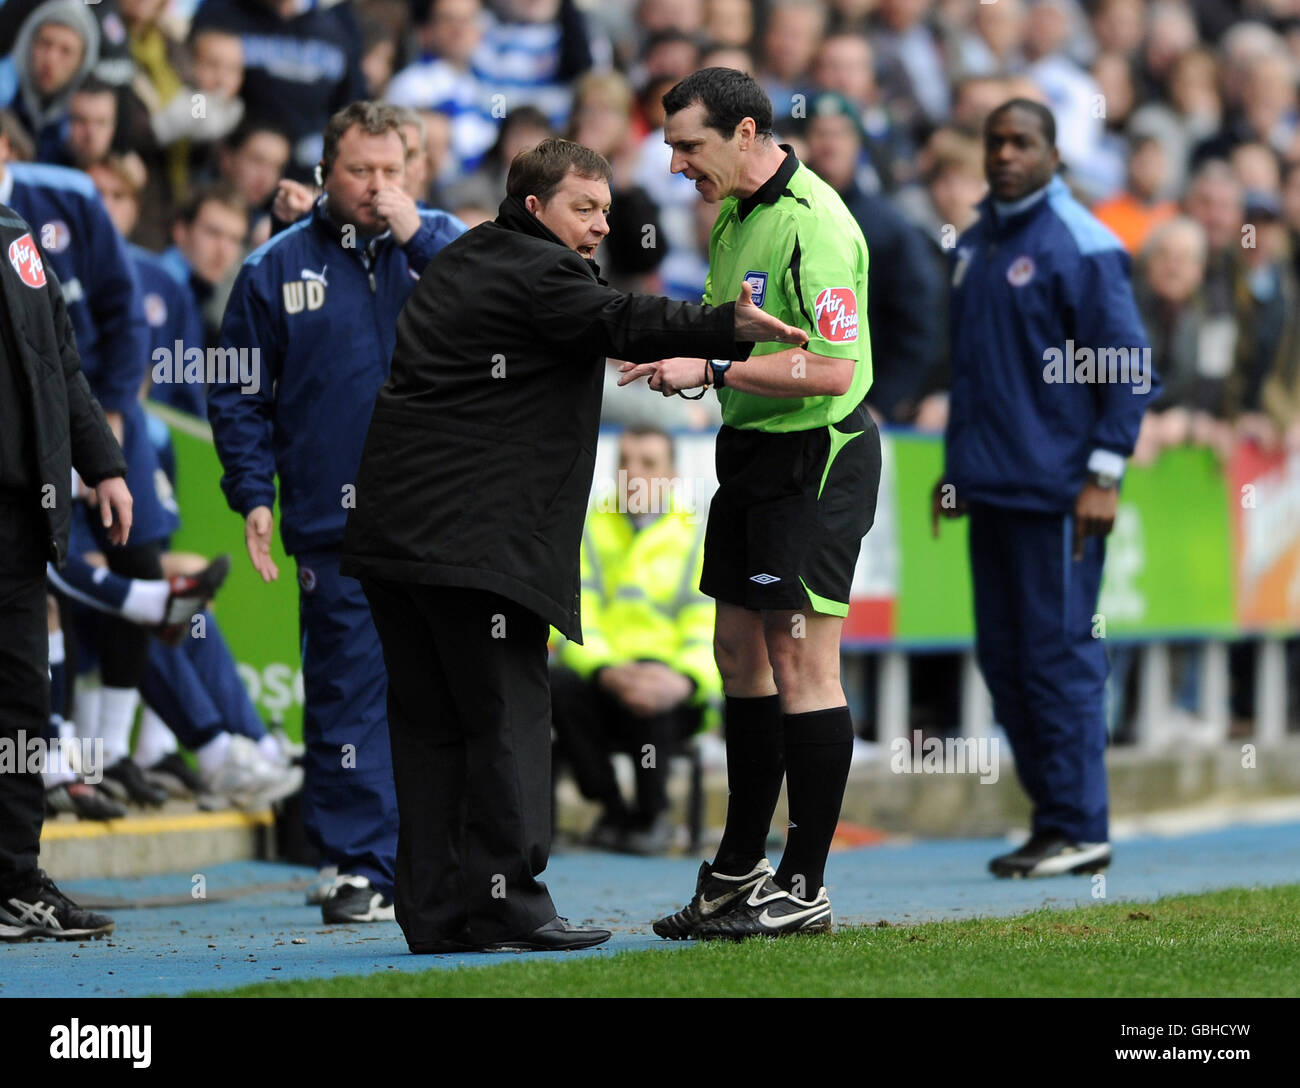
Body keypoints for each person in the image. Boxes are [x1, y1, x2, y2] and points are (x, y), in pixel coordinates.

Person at [340, 136, 806, 954]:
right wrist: (726, 326)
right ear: (534, 209)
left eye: (605, 211)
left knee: (429, 728)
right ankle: (515, 903)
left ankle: (440, 912)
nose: (599, 228)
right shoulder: (539, 270)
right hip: (473, 546)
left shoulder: (461, 260)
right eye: (582, 210)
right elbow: (623, 318)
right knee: (508, 720)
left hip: (394, 541)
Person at [620, 67, 879, 941]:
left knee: (799, 655)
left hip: (817, 452)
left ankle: (804, 884)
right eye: (669, 145)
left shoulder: (817, 224)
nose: (675, 161)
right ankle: (737, 871)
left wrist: (715, 369)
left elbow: (837, 367)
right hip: (752, 448)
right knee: (738, 651)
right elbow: (735, 328)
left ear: (745, 132)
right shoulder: (735, 213)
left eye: (688, 145)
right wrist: (679, 346)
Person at [208, 100, 465, 925]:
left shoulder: (440, 246)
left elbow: (497, 293)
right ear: (324, 173)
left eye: (393, 170)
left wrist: (413, 229)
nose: (379, 186)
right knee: (345, 690)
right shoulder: (271, 268)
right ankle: (358, 861)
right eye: (361, 170)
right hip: (332, 518)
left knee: (444, 690)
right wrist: (251, 494)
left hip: (441, 514)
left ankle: (433, 855)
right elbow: (239, 397)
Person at [932, 99, 1157, 878]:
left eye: (1021, 142)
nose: (1004, 155)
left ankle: (1081, 824)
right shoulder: (979, 241)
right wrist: (956, 473)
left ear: (1054, 155)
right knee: (1004, 660)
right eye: (994, 141)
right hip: (992, 488)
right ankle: (1052, 820)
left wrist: (1104, 471)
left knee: (1058, 657)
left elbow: (1128, 365)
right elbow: (973, 372)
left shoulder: (1082, 244)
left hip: (1058, 493)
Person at [0, 202, 132, 941]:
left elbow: (61, 362)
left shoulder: (12, 234)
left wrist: (103, 463)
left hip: (19, 520)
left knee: (21, 705)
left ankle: (14, 880)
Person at [550, 426, 719, 855]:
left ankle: (650, 817)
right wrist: (608, 671)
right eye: (624, 461)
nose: (633, 473)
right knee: (557, 685)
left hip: (673, 684)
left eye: (648, 463)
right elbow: (574, 612)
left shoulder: (698, 535)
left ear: (674, 474)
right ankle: (613, 810)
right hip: (604, 676)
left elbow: (708, 625)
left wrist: (685, 681)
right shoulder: (587, 527)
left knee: (653, 698)